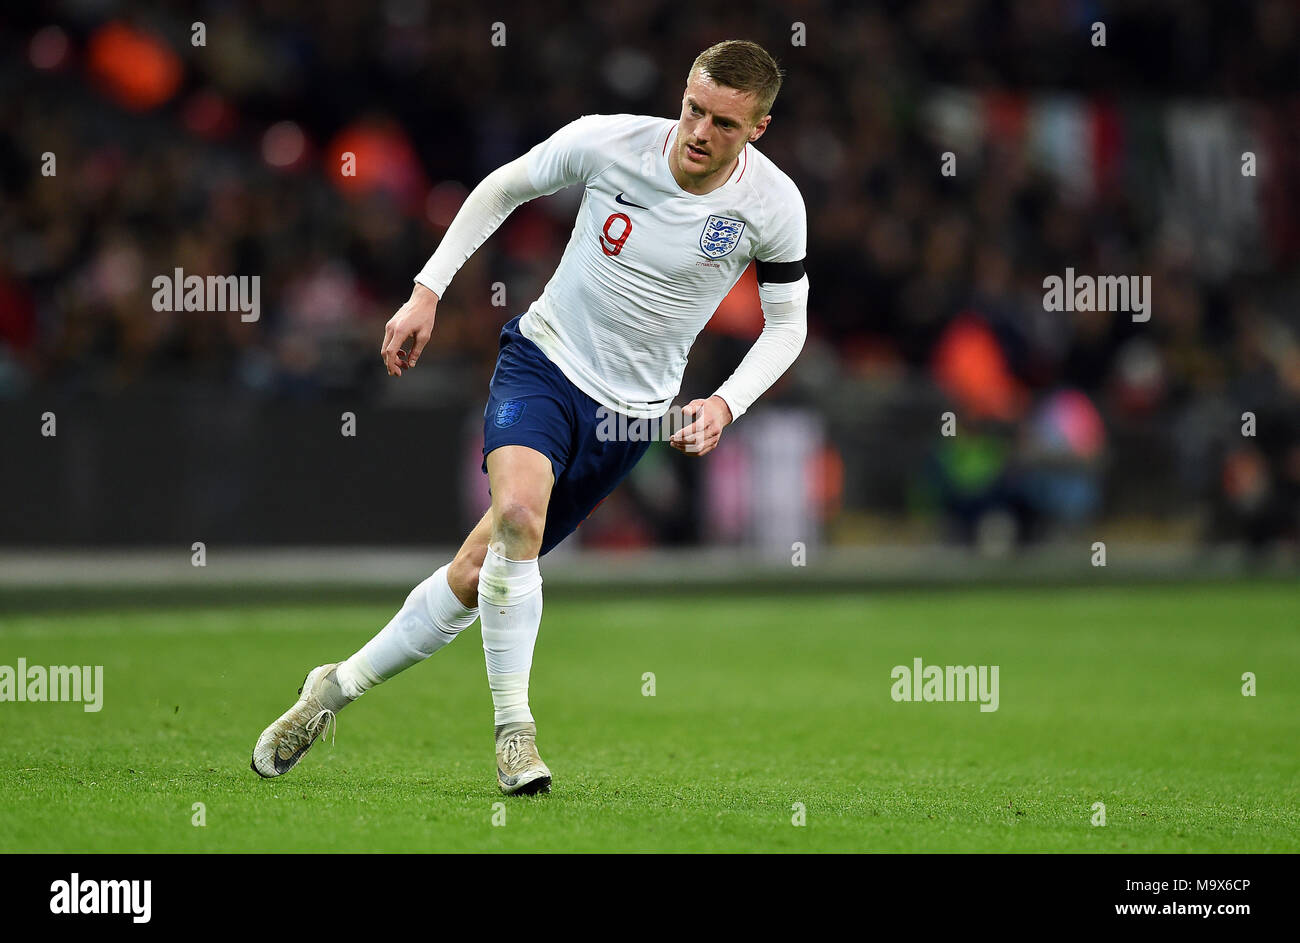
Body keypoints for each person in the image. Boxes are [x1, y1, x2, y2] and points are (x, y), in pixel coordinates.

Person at [251, 39, 809, 795]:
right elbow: (502, 188)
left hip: (628, 418)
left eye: (724, 124)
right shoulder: (609, 143)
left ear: (760, 130)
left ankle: (330, 691)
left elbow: (787, 326)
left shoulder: (774, 207)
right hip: (544, 363)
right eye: (693, 109)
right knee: (517, 513)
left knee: (478, 571)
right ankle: (516, 733)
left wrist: (723, 401)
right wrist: (427, 291)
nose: (699, 132)